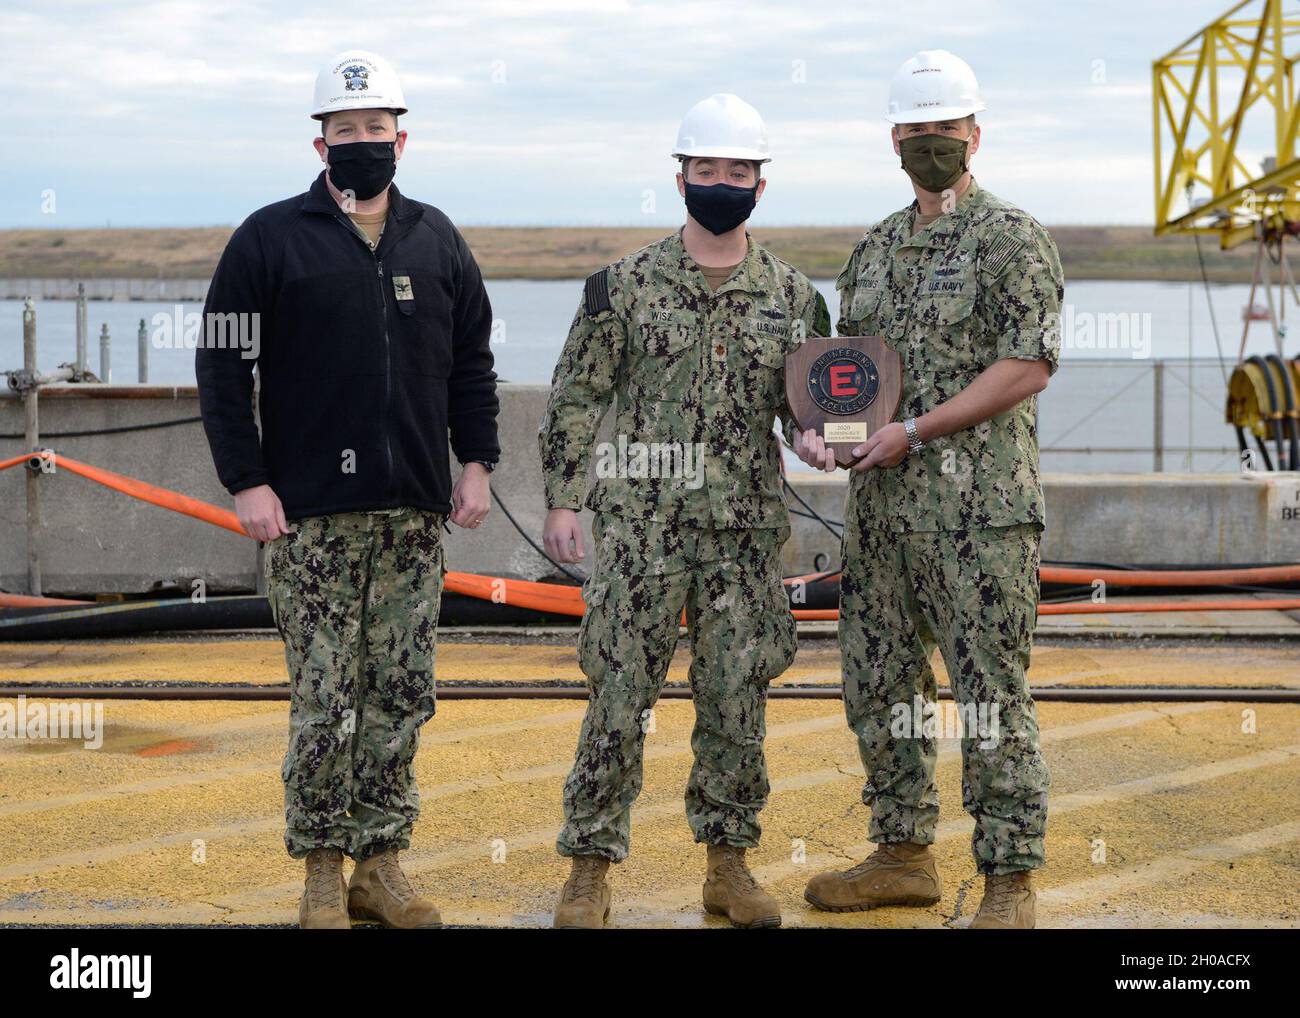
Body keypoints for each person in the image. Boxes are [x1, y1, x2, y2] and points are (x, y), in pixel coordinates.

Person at [195, 49, 499, 929]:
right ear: (320, 142)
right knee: (326, 701)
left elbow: (471, 362)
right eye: (345, 128)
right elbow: (222, 365)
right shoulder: (268, 239)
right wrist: (247, 480)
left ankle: (381, 864)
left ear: (401, 140)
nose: (361, 139)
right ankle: (322, 870)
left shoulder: (436, 239)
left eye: (376, 127)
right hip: (310, 520)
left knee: (399, 694)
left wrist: (476, 462)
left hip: (412, 514)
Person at [539, 93, 830, 929]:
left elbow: (807, 407)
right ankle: (589, 869)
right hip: (641, 532)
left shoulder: (794, 297)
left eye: (738, 171)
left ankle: (729, 867)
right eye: (707, 169)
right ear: (680, 178)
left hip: (743, 534)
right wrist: (563, 500)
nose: (722, 183)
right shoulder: (621, 287)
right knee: (618, 697)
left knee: (736, 699)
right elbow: (576, 399)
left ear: (760, 186)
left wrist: (816, 440)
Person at [796, 50, 1062, 929]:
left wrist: (915, 431)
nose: (930, 144)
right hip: (883, 517)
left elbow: (1027, 365)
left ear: (975, 135)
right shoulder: (874, 249)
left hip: (979, 517)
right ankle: (902, 855)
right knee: (879, 687)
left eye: (945, 129)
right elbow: (850, 374)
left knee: (990, 697)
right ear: (894, 140)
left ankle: (1010, 881)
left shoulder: (1010, 238)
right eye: (916, 131)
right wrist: (826, 434)